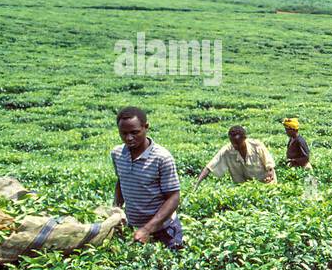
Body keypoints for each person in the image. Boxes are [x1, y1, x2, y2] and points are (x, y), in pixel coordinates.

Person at [111, 106, 183, 249]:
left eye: (134, 132)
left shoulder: (162, 157)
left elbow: (174, 197)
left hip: (164, 230)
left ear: (146, 127)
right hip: (134, 228)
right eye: (123, 133)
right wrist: (116, 209)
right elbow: (122, 181)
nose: (129, 138)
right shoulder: (117, 154)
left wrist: (147, 229)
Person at [195, 126, 277, 186]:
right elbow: (210, 167)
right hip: (245, 188)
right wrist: (197, 183)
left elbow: (269, 164)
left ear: (245, 138)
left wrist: (270, 175)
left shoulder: (256, 145)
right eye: (233, 143)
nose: (235, 146)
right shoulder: (227, 150)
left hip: (266, 184)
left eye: (238, 143)